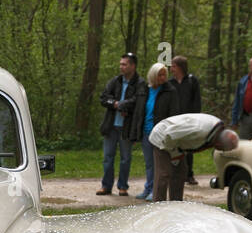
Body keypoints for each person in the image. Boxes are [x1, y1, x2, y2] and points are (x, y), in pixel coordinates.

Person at [150, 112, 239, 202]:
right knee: (164, 173)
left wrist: (177, 155)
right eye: (222, 149)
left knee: (180, 172)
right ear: (218, 144)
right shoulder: (198, 129)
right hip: (162, 136)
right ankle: (157, 205)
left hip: (176, 141)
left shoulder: (217, 130)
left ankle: (176, 204)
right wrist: (174, 154)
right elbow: (169, 134)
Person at [128, 62, 176, 199]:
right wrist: (135, 133)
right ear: (153, 75)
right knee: (149, 163)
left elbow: (173, 113)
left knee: (159, 165)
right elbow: (139, 112)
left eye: (164, 75)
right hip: (146, 132)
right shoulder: (144, 90)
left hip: (160, 133)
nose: (163, 77)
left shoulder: (169, 91)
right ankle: (148, 188)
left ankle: (155, 191)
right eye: (160, 75)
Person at [96, 52, 140, 196]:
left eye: (124, 64)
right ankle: (106, 186)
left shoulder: (140, 83)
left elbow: (138, 101)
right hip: (111, 126)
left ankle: (123, 186)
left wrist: (123, 105)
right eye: (120, 64)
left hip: (126, 128)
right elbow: (103, 98)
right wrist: (115, 104)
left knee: (125, 158)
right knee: (108, 157)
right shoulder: (115, 81)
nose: (121, 67)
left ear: (132, 66)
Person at [168, 56, 202, 184]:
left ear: (181, 67)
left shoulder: (192, 81)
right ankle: (175, 174)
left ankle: (189, 174)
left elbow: (196, 101)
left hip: (189, 120)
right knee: (174, 148)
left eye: (174, 66)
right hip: (174, 120)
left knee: (188, 149)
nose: (171, 69)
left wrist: (195, 118)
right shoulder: (170, 83)